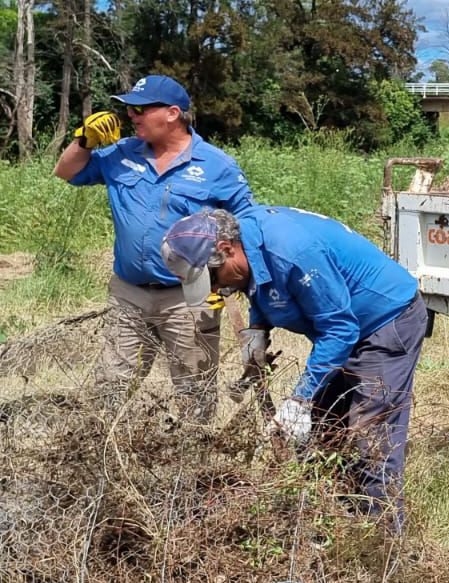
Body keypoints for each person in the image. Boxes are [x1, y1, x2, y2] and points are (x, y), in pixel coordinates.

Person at [160, 206, 428, 527]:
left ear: (226, 249)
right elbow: (259, 282)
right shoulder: (248, 242)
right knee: (321, 432)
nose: (216, 290)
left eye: (213, 279)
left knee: (371, 440)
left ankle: (385, 544)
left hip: (384, 320)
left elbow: (340, 330)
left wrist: (299, 400)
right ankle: (337, 524)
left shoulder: (292, 252)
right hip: (342, 326)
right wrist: (258, 329)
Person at [53, 75, 253, 417]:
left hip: (190, 297)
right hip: (128, 294)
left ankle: (193, 447)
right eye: (130, 109)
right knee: (111, 388)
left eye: (140, 109)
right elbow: (66, 172)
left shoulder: (216, 166)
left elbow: (247, 224)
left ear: (173, 113)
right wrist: (83, 140)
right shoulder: (121, 153)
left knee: (194, 391)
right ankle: (106, 444)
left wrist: (228, 279)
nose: (131, 115)